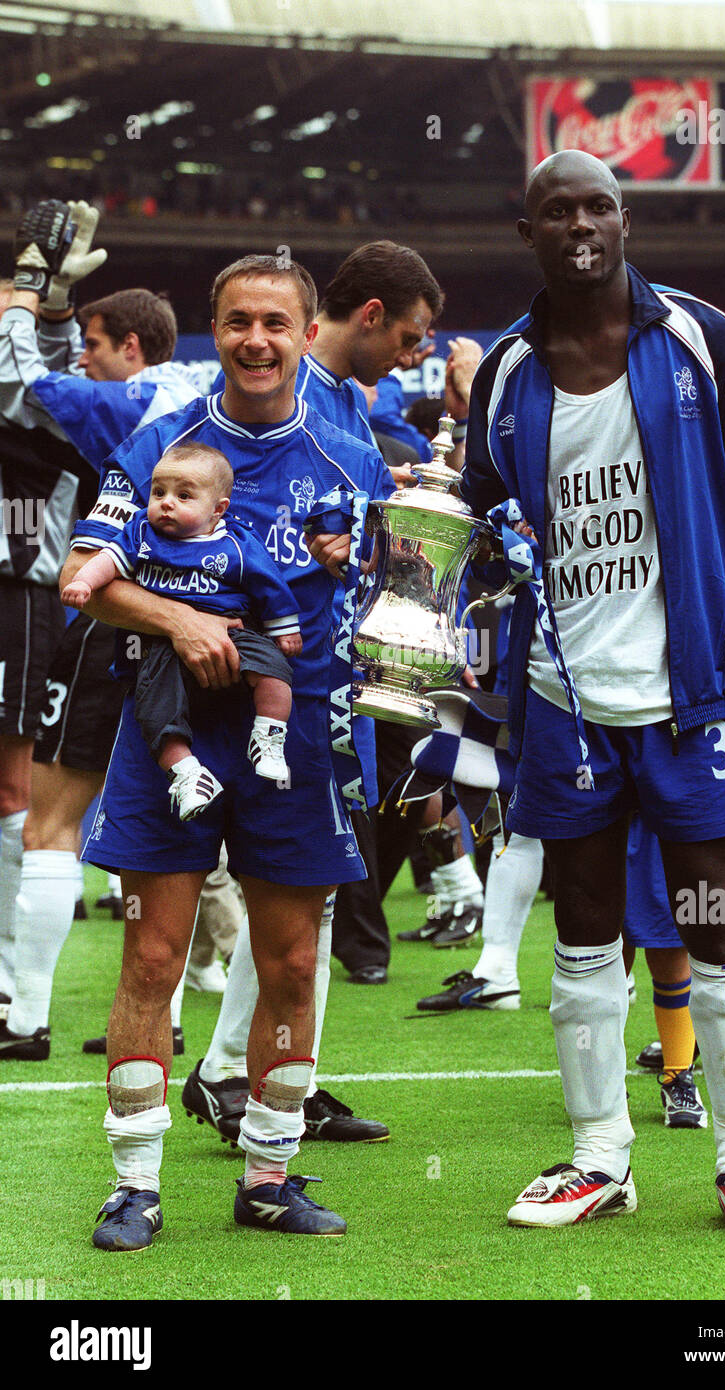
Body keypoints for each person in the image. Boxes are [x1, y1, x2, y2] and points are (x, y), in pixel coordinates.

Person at [453, 151, 725, 1234]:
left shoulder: (698, 341)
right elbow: (481, 526)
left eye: (598, 207)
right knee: (579, 928)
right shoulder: (509, 374)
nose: (580, 225)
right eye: (556, 210)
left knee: (714, 914)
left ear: (624, 220)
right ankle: (596, 1155)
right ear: (526, 232)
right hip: (562, 691)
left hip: (691, 685)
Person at [59, 253, 394, 1248]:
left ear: (304, 333)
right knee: (154, 952)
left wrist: (366, 563)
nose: (256, 340)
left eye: (275, 324)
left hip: (295, 732)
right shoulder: (162, 439)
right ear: (219, 328)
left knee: (290, 960)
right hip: (170, 726)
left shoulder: (349, 454)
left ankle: (269, 1175)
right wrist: (180, 621)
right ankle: (134, 1182)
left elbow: (389, 591)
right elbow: (85, 571)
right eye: (239, 321)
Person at [0, 203, 204, 1055]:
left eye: (92, 345)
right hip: (198, 625)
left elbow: (19, 385)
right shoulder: (202, 392)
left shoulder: (125, 405)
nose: (82, 360)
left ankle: (25, 1016)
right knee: (170, 826)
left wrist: (25, 293)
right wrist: (54, 311)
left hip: (109, 613)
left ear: (128, 347)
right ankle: (174, 1018)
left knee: (51, 820)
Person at [62, 442, 302, 815]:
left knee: (275, 671)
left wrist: (284, 630)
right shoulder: (141, 533)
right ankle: (187, 774)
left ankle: (269, 736)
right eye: (158, 492)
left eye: (184, 495)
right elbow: (107, 560)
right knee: (156, 711)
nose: (166, 503)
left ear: (218, 509)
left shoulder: (235, 544)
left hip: (233, 631)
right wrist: (85, 584)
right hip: (160, 644)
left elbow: (270, 587)